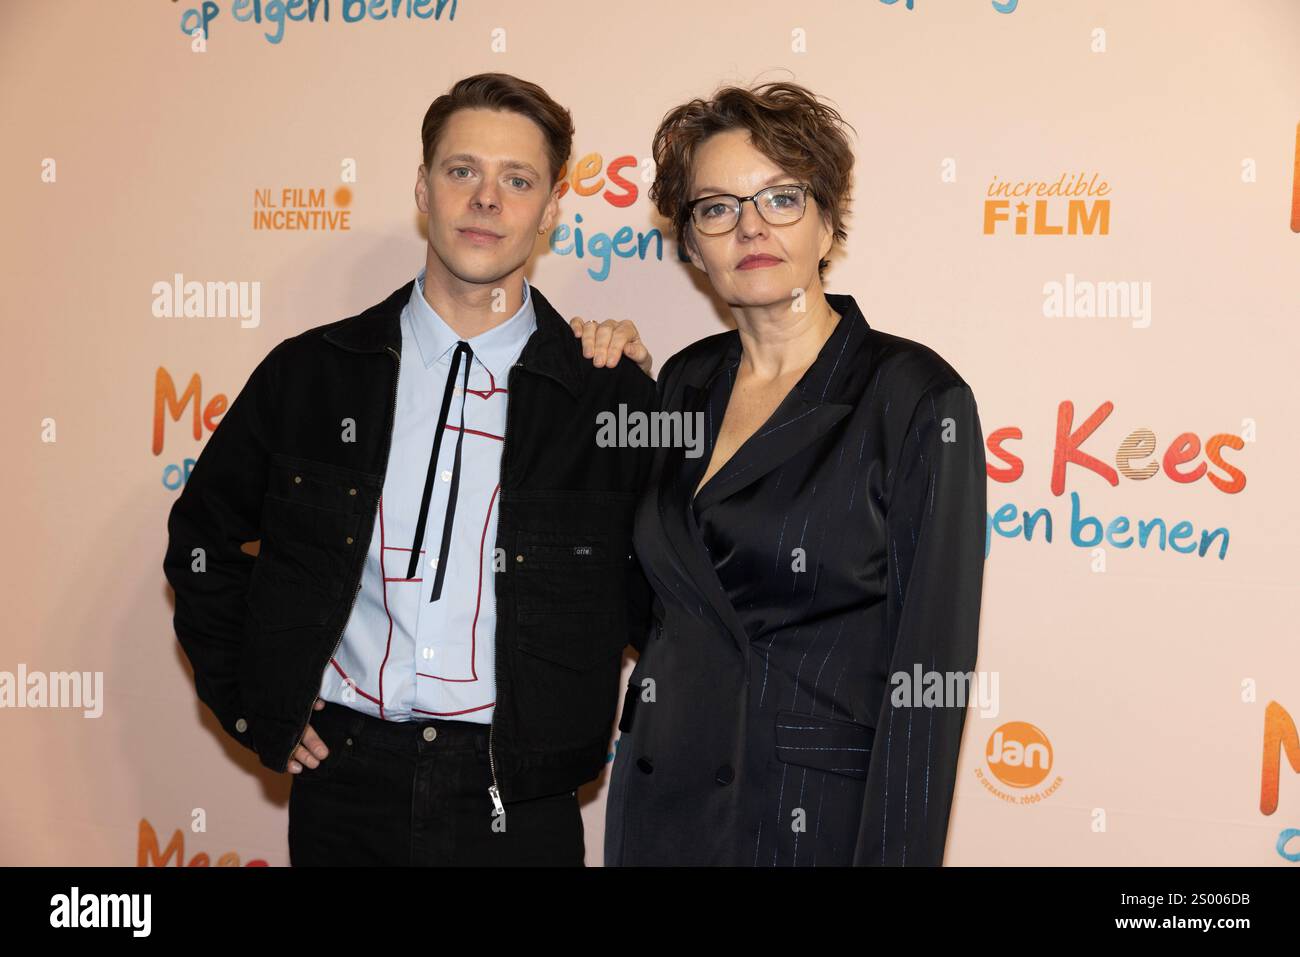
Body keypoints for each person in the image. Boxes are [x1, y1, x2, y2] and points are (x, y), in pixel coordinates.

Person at [164, 72, 657, 866]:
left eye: (518, 180)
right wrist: (260, 706)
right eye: (463, 171)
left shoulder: (604, 397)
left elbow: (666, 596)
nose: (487, 199)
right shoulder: (312, 375)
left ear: (552, 211)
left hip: (520, 801)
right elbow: (202, 542)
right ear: (423, 189)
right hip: (345, 786)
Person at [604, 81, 988, 866]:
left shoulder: (914, 396)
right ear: (691, 243)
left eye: (780, 198)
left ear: (825, 220)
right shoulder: (681, 382)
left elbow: (930, 676)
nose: (750, 227)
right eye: (716, 207)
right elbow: (652, 608)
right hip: (661, 806)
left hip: (806, 819)